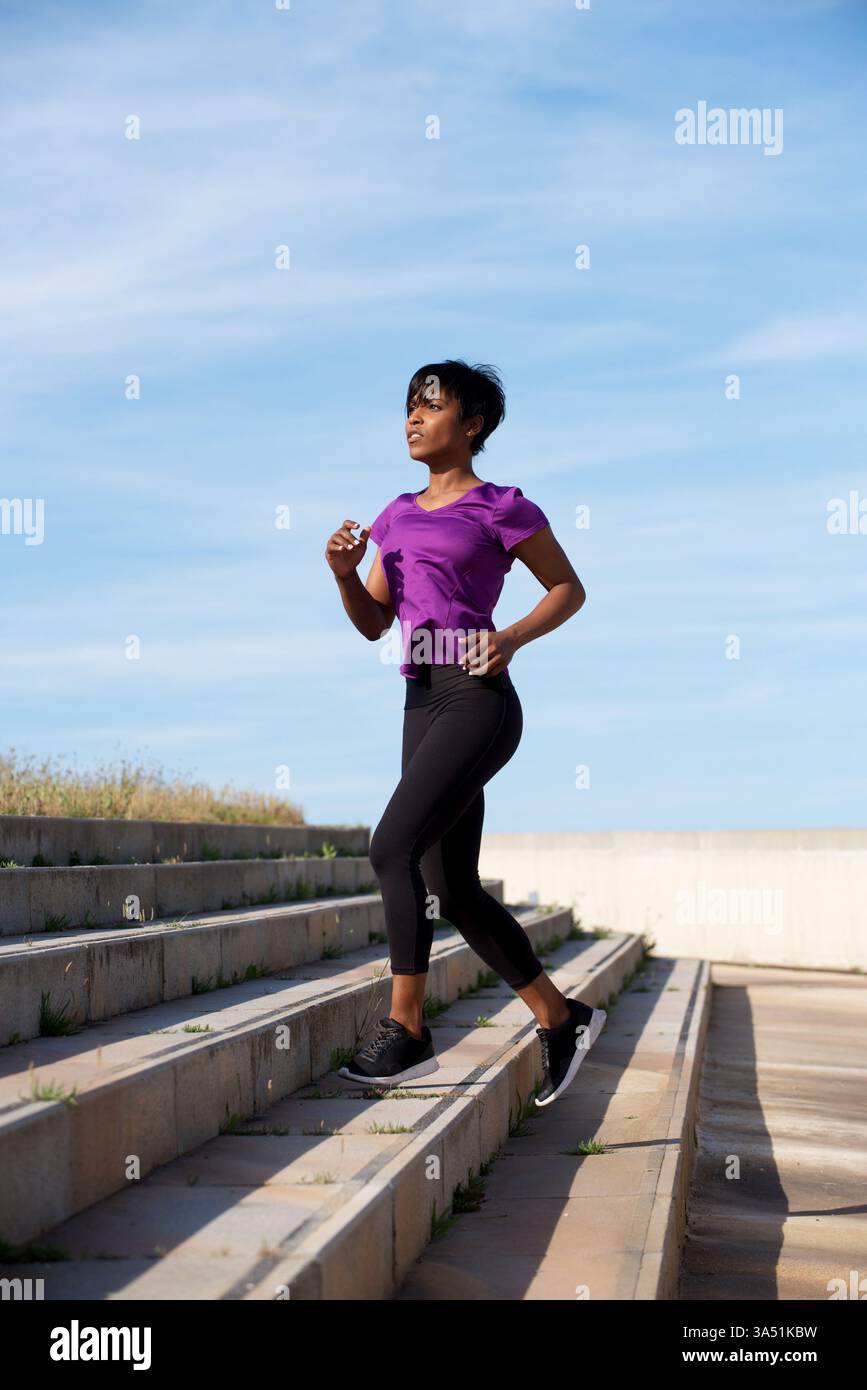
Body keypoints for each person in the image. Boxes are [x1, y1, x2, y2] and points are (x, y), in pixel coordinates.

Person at [325, 359, 605, 1106]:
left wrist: (509, 638)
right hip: (420, 700)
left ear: (471, 424)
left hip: (478, 699)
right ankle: (561, 1017)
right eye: (408, 408)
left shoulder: (501, 507)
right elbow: (374, 624)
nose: (413, 419)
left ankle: (407, 1029)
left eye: (430, 406)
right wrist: (346, 574)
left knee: (392, 847)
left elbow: (567, 588)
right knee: (451, 888)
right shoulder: (394, 515)